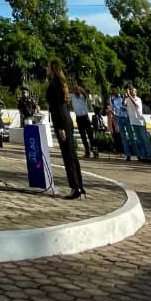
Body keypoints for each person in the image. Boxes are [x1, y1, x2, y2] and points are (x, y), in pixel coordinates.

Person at [45, 60, 85, 200]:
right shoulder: (59, 83)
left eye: (48, 67)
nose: (46, 69)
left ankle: (75, 187)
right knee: (71, 154)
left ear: (53, 69)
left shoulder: (56, 84)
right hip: (65, 119)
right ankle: (78, 185)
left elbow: (57, 106)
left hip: (62, 120)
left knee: (68, 155)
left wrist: (61, 126)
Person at [124, 87, 151, 163]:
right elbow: (123, 104)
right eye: (130, 90)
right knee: (139, 140)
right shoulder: (128, 99)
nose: (131, 92)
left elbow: (135, 104)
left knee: (145, 139)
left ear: (136, 92)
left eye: (132, 90)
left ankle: (149, 156)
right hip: (133, 122)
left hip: (140, 122)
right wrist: (125, 97)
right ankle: (143, 156)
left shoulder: (138, 99)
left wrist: (129, 96)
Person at [70, 86, 96, 158]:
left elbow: (85, 95)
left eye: (78, 90)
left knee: (90, 135)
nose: (77, 92)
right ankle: (87, 151)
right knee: (83, 136)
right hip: (78, 118)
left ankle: (94, 151)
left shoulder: (83, 97)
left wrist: (80, 90)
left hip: (85, 117)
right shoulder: (72, 96)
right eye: (75, 90)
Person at [110, 89, 134, 160]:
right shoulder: (112, 99)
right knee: (123, 138)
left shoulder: (124, 97)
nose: (114, 92)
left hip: (126, 117)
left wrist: (124, 105)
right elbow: (113, 109)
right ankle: (128, 154)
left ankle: (137, 153)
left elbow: (128, 106)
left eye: (116, 90)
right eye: (113, 90)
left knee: (131, 135)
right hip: (119, 118)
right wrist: (115, 114)